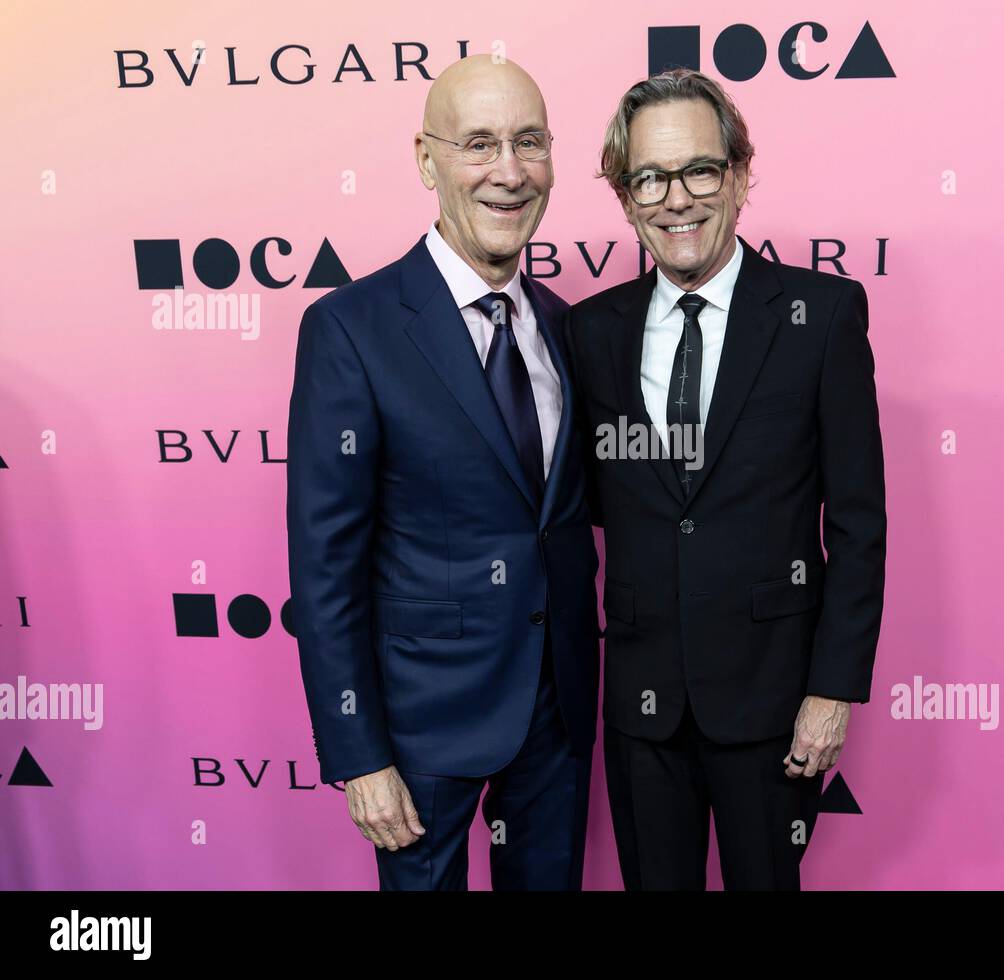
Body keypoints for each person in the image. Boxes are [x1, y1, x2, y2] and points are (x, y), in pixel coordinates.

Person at [566, 68, 887, 890]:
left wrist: (832, 693)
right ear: (625, 197)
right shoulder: (590, 331)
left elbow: (858, 524)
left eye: (700, 171)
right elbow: (593, 503)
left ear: (740, 176)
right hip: (642, 707)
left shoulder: (821, 317)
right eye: (649, 178)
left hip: (774, 703)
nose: (678, 199)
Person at [286, 54, 599, 890]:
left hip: (557, 715)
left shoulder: (572, 331)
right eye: (479, 144)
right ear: (427, 161)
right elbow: (325, 569)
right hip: (418, 730)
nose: (509, 171)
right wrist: (359, 755)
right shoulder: (351, 329)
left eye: (529, 143)